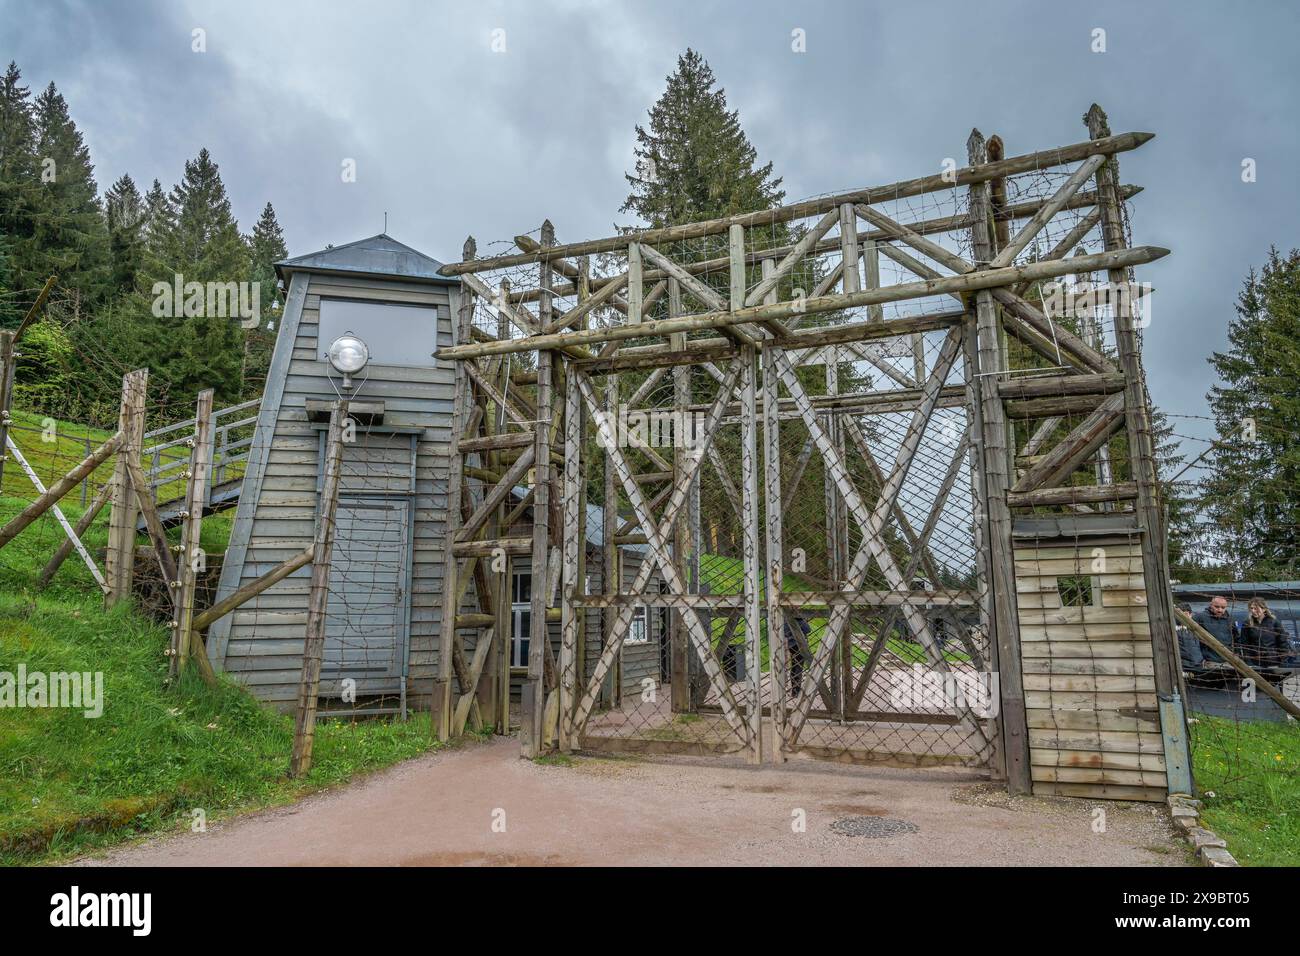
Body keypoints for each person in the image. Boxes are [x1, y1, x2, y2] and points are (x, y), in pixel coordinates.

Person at [1239, 598, 1295, 669]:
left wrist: (1282, 661)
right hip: (1254, 662)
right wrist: (1248, 661)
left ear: (1264, 609)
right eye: (1251, 608)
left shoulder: (1274, 622)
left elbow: (1282, 642)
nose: (1253, 611)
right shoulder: (1247, 623)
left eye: (1256, 608)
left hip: (1273, 662)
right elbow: (1245, 645)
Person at [1191, 596, 1238, 665]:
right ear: (1211, 605)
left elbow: (1237, 638)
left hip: (1228, 661)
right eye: (1216, 607)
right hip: (1208, 661)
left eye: (1223, 608)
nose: (1220, 610)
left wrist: (1236, 655)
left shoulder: (1230, 620)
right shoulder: (1200, 617)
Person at [1175, 601, 1204, 672]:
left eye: (1186, 614)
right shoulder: (1174, 630)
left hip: (1198, 666)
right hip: (1183, 667)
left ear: (1191, 614)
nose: (1184, 617)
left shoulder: (1195, 630)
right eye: (1180, 615)